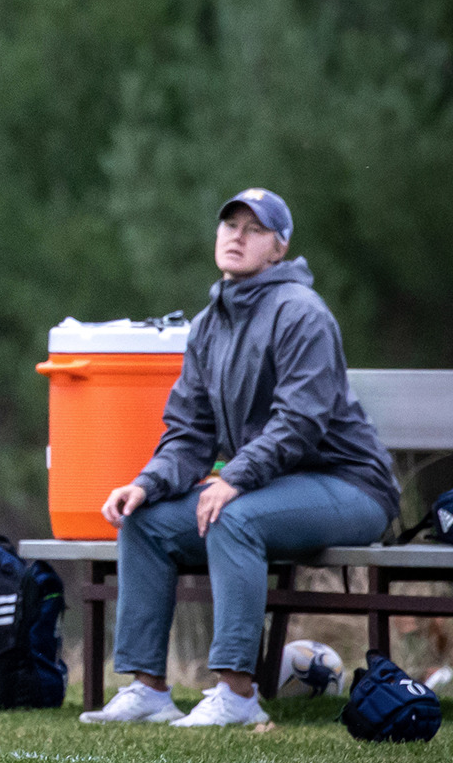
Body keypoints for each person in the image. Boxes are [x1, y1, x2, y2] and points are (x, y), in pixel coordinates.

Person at [87, 188, 399, 727]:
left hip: (351, 487)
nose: (237, 236)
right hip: (269, 486)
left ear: (279, 248)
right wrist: (147, 483)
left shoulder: (302, 313)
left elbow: (300, 421)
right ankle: (148, 689)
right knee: (145, 520)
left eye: (254, 229)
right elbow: (189, 432)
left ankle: (236, 692)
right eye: (230, 225)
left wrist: (233, 478)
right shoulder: (210, 324)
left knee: (232, 517)